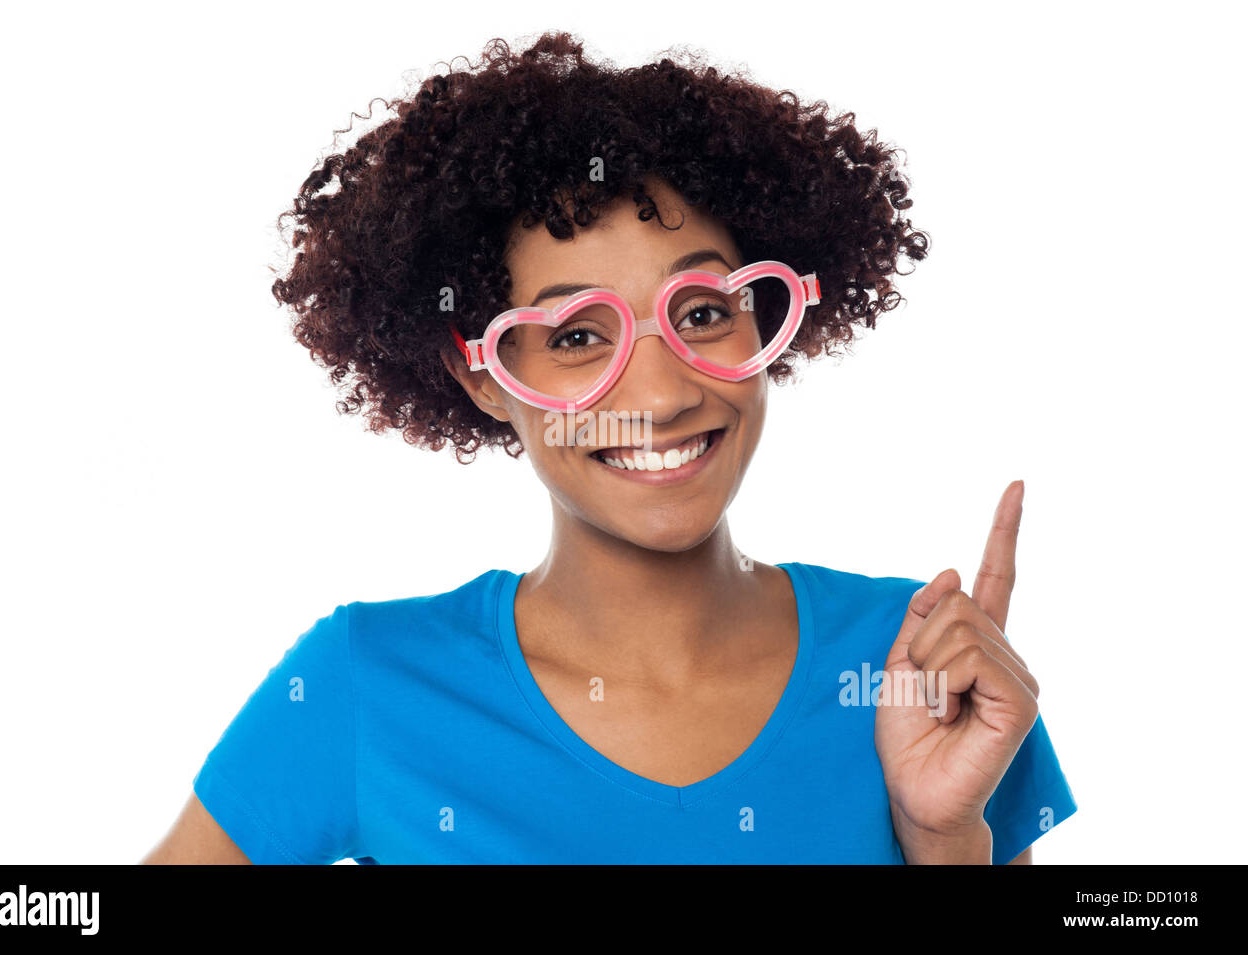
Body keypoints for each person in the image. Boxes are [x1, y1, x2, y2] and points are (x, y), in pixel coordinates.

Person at [143, 31, 1075, 865]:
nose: (664, 394)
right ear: (481, 372)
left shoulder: (917, 665)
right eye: (578, 337)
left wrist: (946, 841)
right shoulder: (368, 684)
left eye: (703, 313)